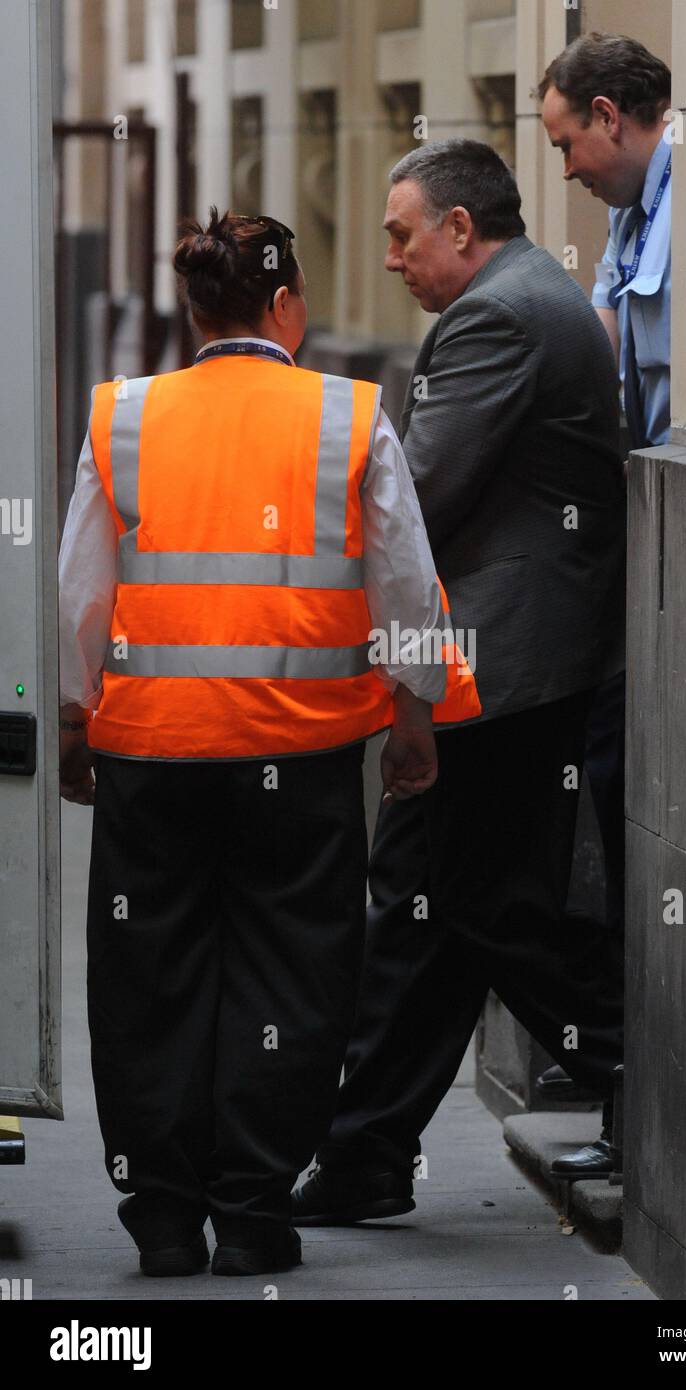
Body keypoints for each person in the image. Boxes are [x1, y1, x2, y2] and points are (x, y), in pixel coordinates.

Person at [58, 207, 479, 1277]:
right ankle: (251, 1211)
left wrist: (74, 717)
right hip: (300, 758)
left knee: (147, 976)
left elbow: (78, 594)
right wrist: (415, 714)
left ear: (193, 308)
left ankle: (160, 1214)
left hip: (151, 752)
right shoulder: (345, 416)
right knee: (291, 980)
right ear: (286, 308)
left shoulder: (125, 416)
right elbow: (399, 574)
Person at [292, 140, 626, 1227]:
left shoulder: (495, 315)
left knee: (477, 906)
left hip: (504, 666)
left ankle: (642, 1065)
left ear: (459, 230)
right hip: (514, 658)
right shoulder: (533, 293)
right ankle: (364, 1156)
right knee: (433, 912)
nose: (390, 258)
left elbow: (415, 491)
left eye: (400, 234)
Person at [536, 32, 673, 1177]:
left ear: (610, 115)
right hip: (627, 570)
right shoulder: (629, 223)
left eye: (569, 142)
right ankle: (627, 1118)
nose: (568, 168)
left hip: (671, 572)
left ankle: (642, 1126)